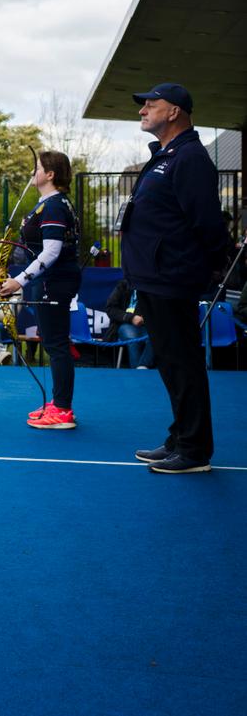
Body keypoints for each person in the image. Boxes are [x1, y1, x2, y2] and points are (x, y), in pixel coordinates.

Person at [122, 83, 229, 473]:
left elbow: (207, 223)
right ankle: (181, 437)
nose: (142, 110)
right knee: (170, 364)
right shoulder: (167, 156)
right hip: (154, 279)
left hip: (172, 279)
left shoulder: (190, 158)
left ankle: (195, 451)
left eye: (151, 104)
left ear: (174, 112)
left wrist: (207, 267)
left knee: (183, 364)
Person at [0, 150, 82, 429]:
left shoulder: (55, 206)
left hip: (54, 282)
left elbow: (52, 251)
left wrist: (18, 280)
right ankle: (58, 402)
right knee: (53, 342)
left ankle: (63, 410)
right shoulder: (49, 204)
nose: (34, 172)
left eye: (38, 168)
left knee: (57, 344)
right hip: (50, 282)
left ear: (50, 174)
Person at [102, 278, 154, 369]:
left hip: (149, 326)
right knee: (132, 336)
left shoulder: (153, 288)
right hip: (125, 324)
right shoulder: (123, 285)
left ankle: (141, 367)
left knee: (158, 336)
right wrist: (131, 318)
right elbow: (110, 308)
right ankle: (140, 369)